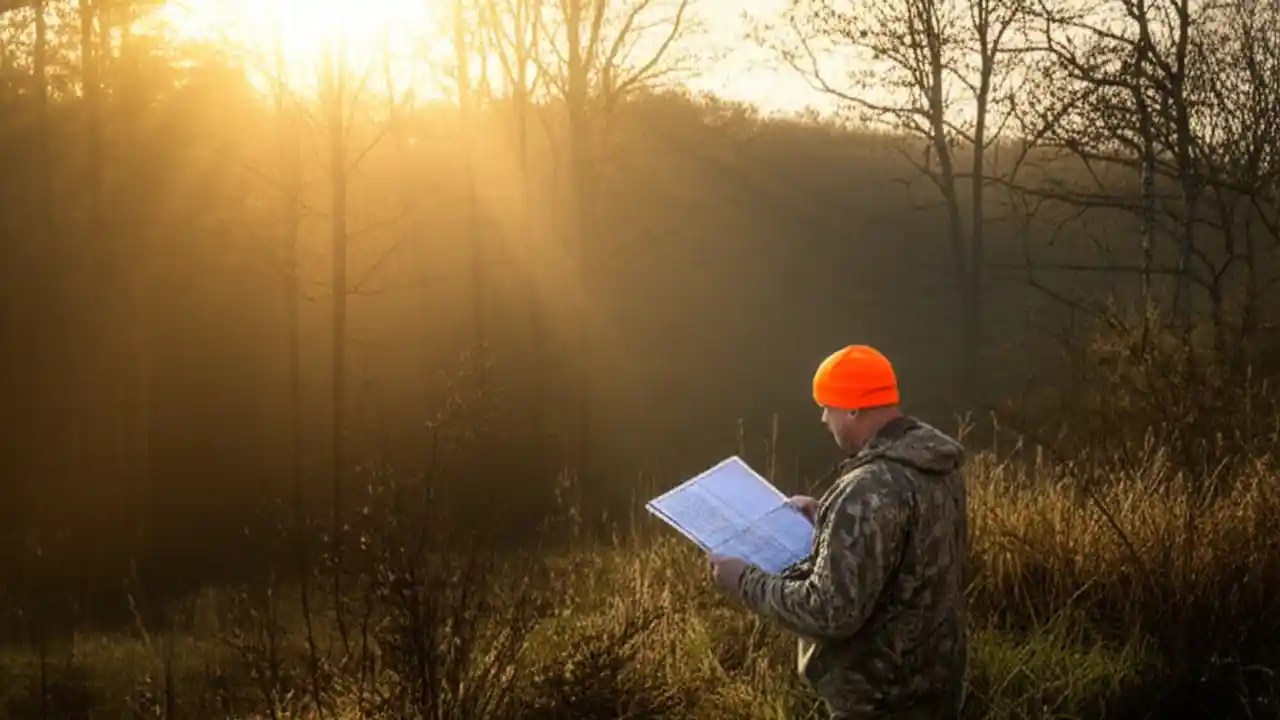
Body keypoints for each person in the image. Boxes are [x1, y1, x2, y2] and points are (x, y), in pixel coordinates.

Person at [707, 344, 968, 719]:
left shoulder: (867, 487)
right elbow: (907, 554)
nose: (823, 419)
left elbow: (829, 613)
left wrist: (743, 580)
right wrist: (828, 519)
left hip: (880, 700)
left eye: (827, 407)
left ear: (852, 409)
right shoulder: (937, 467)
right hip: (937, 686)